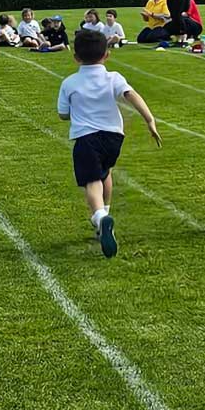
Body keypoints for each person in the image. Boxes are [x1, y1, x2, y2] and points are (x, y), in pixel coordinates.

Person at [56, 27, 160, 258]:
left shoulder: (69, 83)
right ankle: (106, 215)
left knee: (92, 182)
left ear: (75, 57)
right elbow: (131, 95)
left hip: (86, 137)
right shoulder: (113, 77)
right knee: (105, 172)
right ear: (107, 55)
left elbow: (62, 114)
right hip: (114, 137)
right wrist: (150, 120)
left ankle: (101, 218)